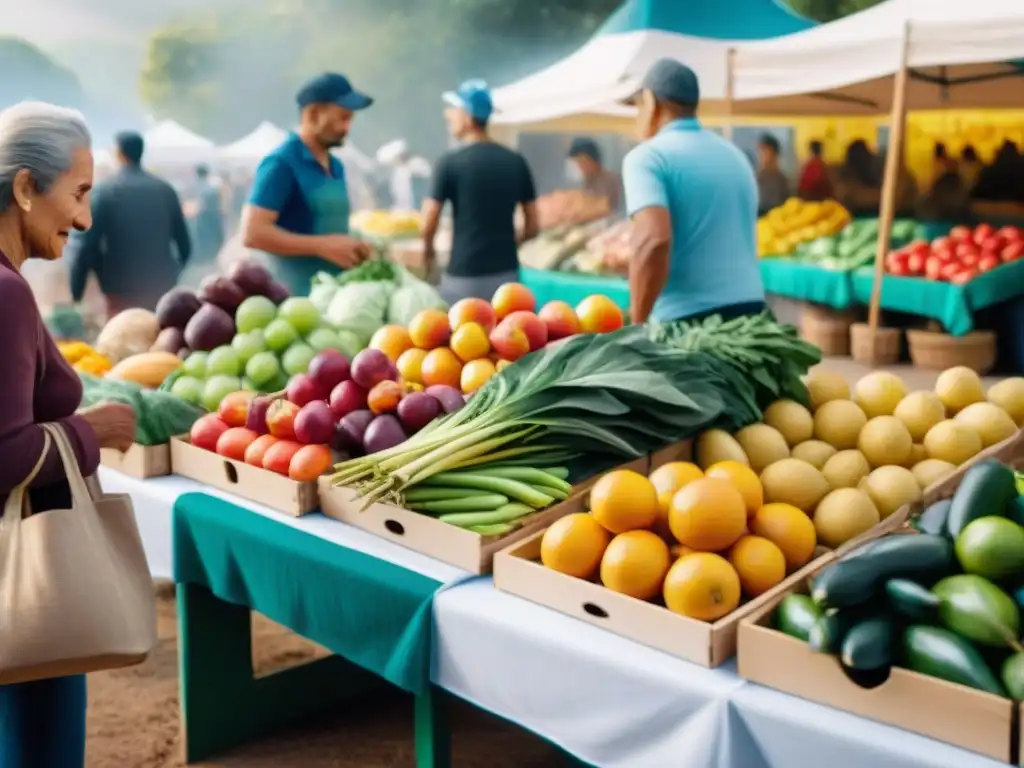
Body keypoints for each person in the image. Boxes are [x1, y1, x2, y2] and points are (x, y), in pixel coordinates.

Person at [0, 100, 136, 768]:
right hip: (23, 575)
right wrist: (92, 431)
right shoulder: (6, 293)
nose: (84, 219)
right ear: (26, 188)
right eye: (78, 194)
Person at [621, 59, 765, 325]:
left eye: (638, 106)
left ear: (651, 101)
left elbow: (654, 240)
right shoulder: (735, 155)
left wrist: (637, 323)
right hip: (752, 315)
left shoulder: (646, 157)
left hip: (691, 321)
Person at [242, 72, 373, 295]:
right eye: (342, 117)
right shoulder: (281, 163)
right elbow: (253, 233)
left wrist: (353, 244)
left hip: (335, 293)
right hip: (294, 297)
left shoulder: (336, 166)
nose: (347, 128)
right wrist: (322, 246)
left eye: (350, 119)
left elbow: (328, 225)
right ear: (312, 114)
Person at [422, 79, 539, 304]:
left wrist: (429, 257)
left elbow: (429, 223)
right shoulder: (515, 161)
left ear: (467, 116)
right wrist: (508, 243)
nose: (448, 115)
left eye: (453, 110)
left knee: (463, 336)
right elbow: (533, 226)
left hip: (463, 278)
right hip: (507, 278)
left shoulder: (449, 163)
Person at [65, 131, 192, 315]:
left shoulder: (105, 191)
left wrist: (77, 291)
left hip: (120, 291)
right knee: (163, 340)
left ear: (119, 153)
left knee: (123, 340)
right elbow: (185, 245)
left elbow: (84, 246)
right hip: (161, 291)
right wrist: (172, 274)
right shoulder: (165, 190)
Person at [567, 137, 622, 211]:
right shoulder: (588, 179)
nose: (581, 167)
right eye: (578, 163)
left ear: (593, 160)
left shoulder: (608, 179)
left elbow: (605, 207)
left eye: (583, 162)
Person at [189, 164, 225, 265]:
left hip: (201, 218)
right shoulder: (212, 188)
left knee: (202, 239)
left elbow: (196, 206)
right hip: (212, 217)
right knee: (212, 240)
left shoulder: (195, 187)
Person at [755, 134, 790, 215]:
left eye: (764, 150)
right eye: (760, 151)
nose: (761, 155)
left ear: (773, 153)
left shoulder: (780, 177)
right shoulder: (760, 174)